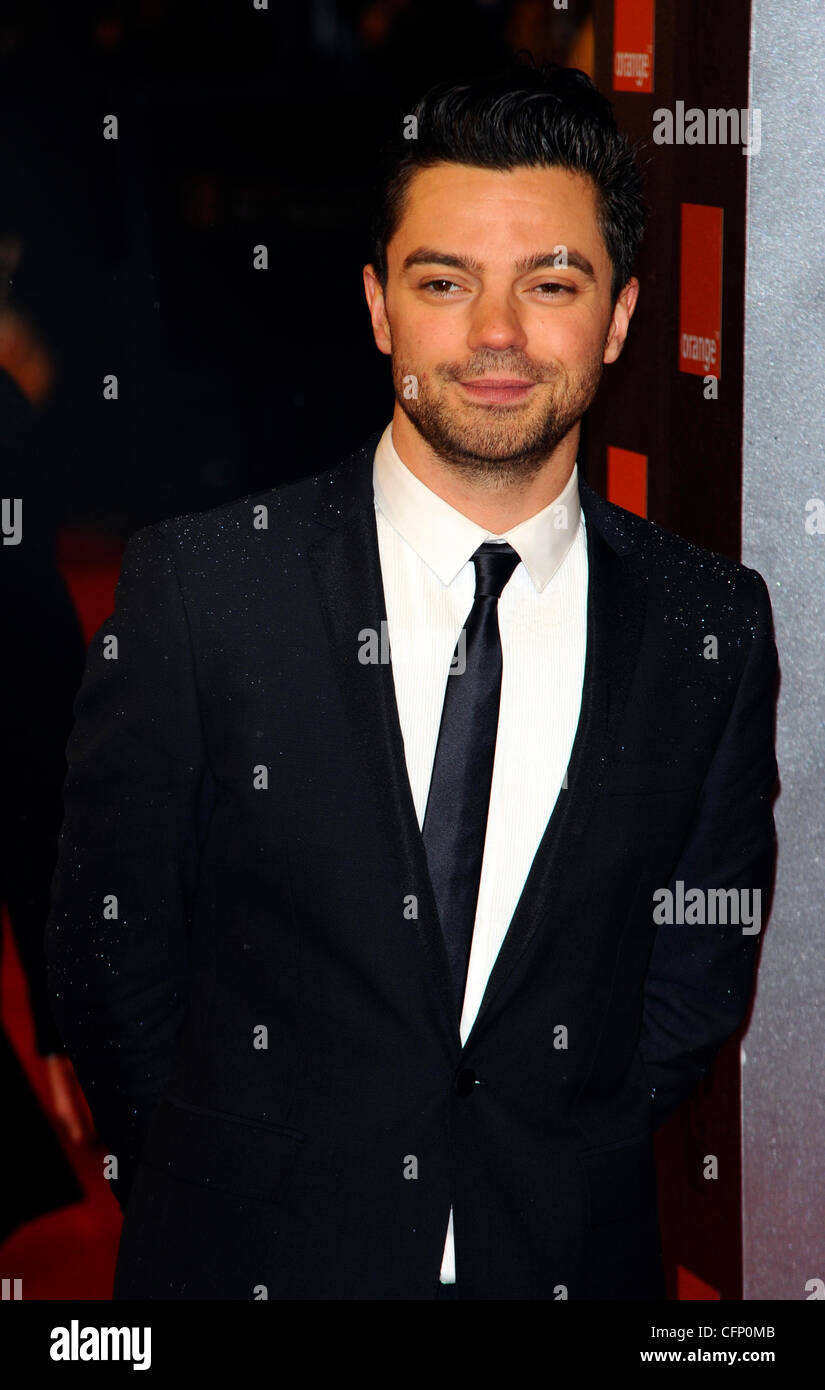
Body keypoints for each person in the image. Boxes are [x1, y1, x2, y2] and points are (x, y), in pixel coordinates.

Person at [45, 60, 778, 1301]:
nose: (497, 335)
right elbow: (112, 972)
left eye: (551, 284)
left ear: (620, 314)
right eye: (447, 283)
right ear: (382, 306)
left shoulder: (710, 624)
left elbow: (692, 988)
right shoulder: (205, 589)